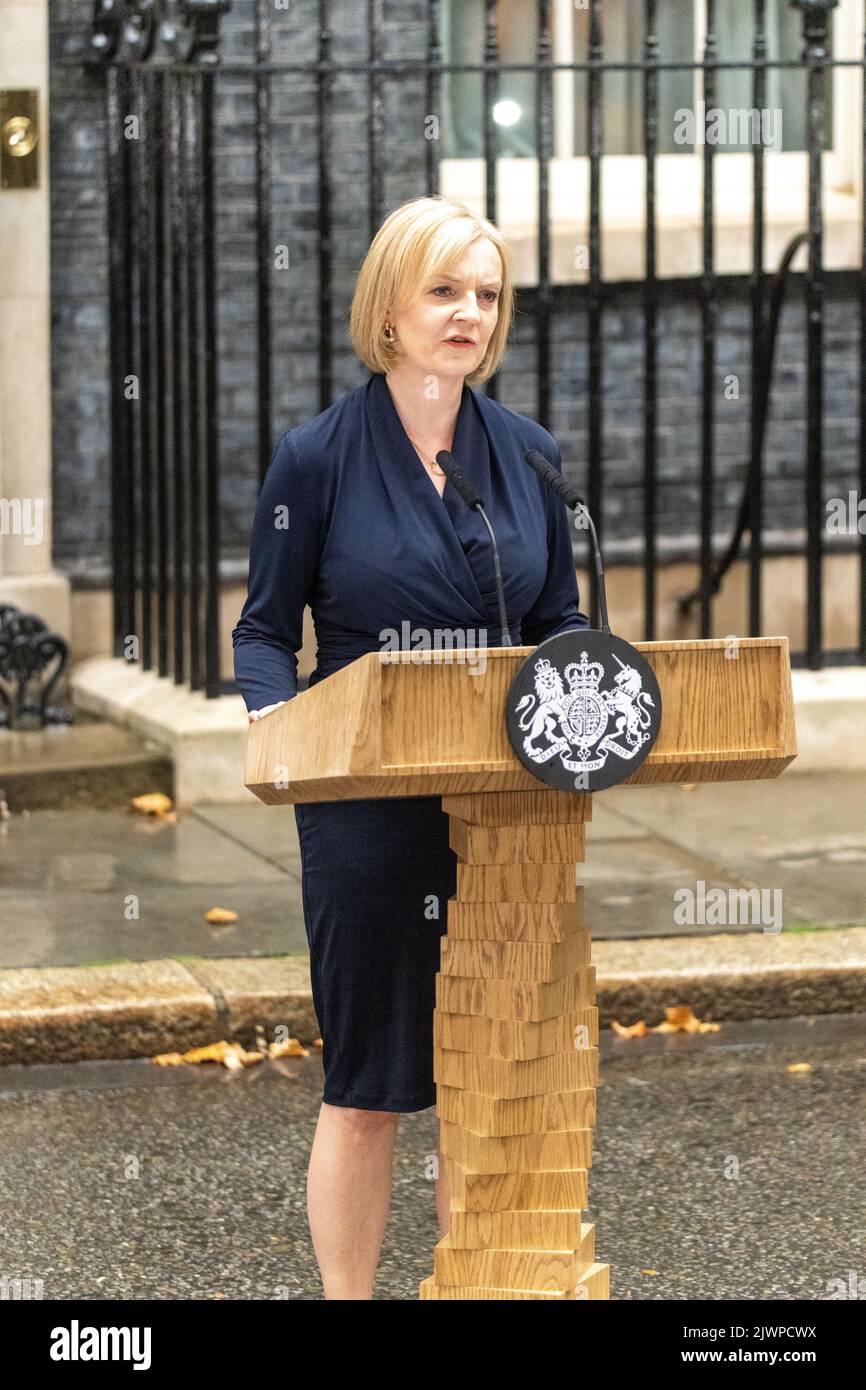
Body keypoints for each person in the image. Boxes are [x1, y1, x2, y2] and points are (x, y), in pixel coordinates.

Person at [231, 194, 590, 1299]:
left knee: (491, 1080)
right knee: (373, 1083)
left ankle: (472, 1284)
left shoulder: (527, 457)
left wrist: (590, 700)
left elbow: (563, 624)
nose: (467, 314)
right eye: (443, 291)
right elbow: (260, 631)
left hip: (507, 809)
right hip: (367, 810)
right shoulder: (317, 459)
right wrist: (275, 729)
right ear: (387, 308)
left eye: (485, 296)